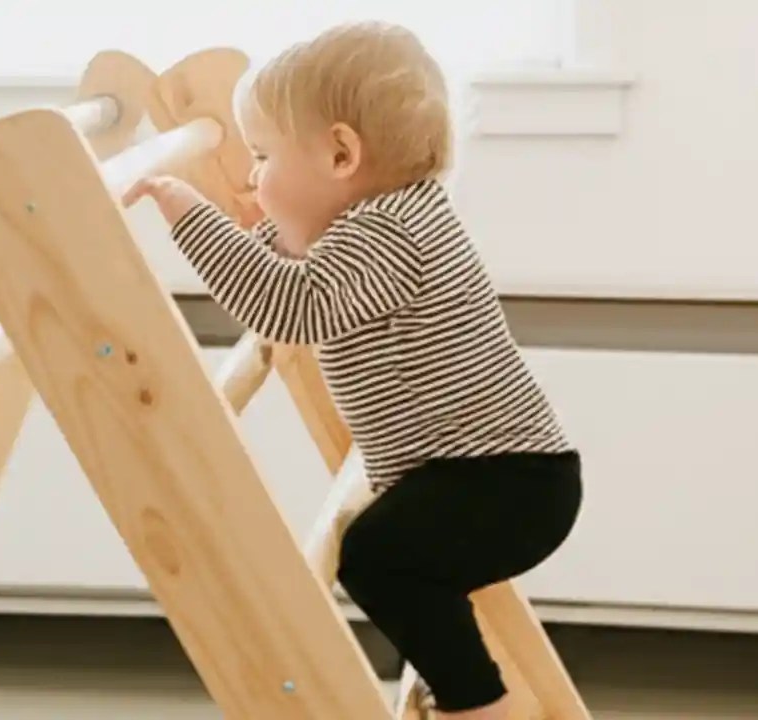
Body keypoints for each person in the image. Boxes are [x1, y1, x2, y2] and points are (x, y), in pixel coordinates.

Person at [123, 20, 583, 720]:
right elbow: (315, 267)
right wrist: (269, 222)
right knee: (399, 558)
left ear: (341, 154)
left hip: (503, 482)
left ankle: (478, 705)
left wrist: (189, 215)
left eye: (263, 156)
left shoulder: (387, 233)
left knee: (376, 557)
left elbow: (288, 303)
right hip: (500, 476)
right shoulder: (396, 215)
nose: (252, 177)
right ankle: (459, 683)